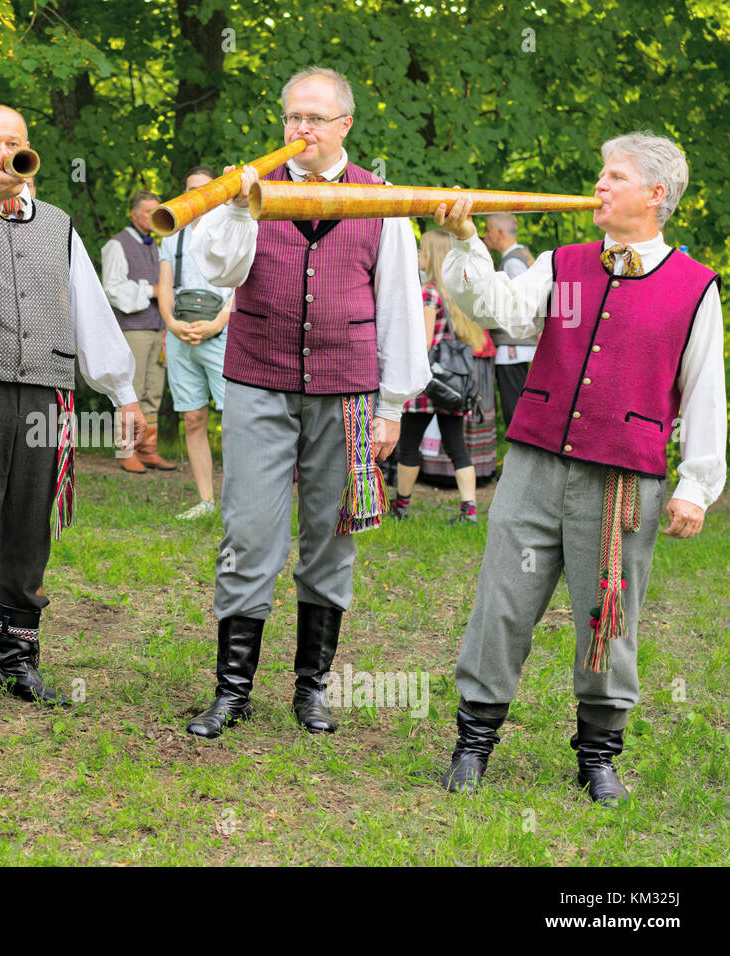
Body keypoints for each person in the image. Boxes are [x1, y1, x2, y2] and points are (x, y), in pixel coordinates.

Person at [435, 131, 725, 804]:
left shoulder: (693, 287)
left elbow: (706, 388)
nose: (598, 185)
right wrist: (466, 241)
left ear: (655, 195)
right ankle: (473, 743)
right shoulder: (563, 263)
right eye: (600, 174)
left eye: (613, 176)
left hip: (622, 482)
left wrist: (697, 485)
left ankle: (598, 757)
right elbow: (499, 314)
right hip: (535, 464)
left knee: (608, 618)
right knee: (501, 605)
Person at [186, 67, 430, 739]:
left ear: (345, 125)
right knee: (248, 536)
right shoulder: (253, 189)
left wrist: (393, 403)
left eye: (317, 118)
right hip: (257, 380)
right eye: (294, 117)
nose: (303, 129)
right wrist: (238, 205)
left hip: (347, 391)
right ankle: (232, 691)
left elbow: (401, 307)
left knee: (331, 538)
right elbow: (217, 271)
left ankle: (311, 689)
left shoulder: (381, 199)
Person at [0, 104, 144, 728]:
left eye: (12, 142)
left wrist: (122, 391)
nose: (1, 151)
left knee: (29, 527)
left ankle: (18, 659)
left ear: (28, 147)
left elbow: (90, 307)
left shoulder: (59, 223)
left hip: (46, 390)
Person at [156, 165, 234, 520]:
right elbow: (165, 285)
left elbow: (243, 286)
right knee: (192, 417)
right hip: (181, 333)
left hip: (223, 331)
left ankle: (239, 499)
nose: (197, 195)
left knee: (236, 418)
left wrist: (217, 323)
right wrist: (171, 324)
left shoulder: (235, 227)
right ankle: (206, 501)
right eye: (191, 189)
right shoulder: (173, 232)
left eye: (205, 189)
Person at [391, 229, 480, 524]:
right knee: (457, 447)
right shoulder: (459, 291)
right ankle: (469, 511)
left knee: (408, 445)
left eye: (421, 250)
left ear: (431, 256)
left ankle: (401, 507)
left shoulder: (429, 292)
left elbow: (424, 342)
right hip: (452, 383)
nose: (417, 255)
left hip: (428, 383)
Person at [102, 190, 175, 474]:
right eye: (148, 212)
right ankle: (126, 450)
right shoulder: (117, 244)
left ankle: (148, 450)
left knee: (153, 392)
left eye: (157, 211)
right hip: (132, 329)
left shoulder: (158, 245)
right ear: (134, 215)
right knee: (131, 392)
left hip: (158, 328)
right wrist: (151, 290)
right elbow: (113, 289)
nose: (153, 217)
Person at [480, 212, 538, 429]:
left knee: (514, 411)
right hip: (522, 345)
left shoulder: (513, 262)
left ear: (500, 232)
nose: (485, 236)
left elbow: (522, 304)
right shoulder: (524, 255)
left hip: (514, 346)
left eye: (487, 230)